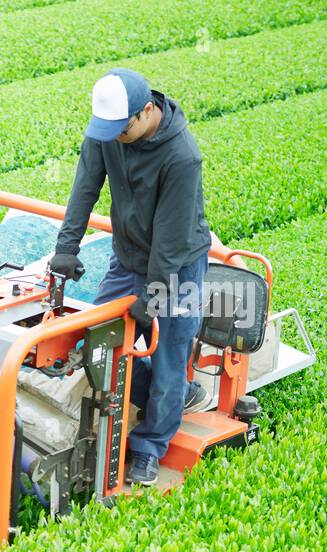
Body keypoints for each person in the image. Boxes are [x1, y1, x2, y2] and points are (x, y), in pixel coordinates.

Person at [48, 68, 212, 486]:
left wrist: (153, 295)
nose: (114, 137)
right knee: (101, 336)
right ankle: (167, 398)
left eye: (122, 130)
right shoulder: (108, 133)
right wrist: (66, 248)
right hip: (128, 254)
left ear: (146, 112)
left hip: (177, 268)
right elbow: (85, 185)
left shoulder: (181, 157)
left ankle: (149, 446)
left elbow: (173, 240)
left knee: (169, 354)